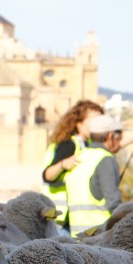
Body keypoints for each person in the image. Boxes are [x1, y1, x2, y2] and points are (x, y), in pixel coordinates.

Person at [40, 100, 104, 233]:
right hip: (60, 221)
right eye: (94, 120)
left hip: (75, 219)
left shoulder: (89, 145)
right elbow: (47, 175)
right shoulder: (69, 145)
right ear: (79, 124)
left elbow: (114, 144)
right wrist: (63, 164)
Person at [62, 113, 129, 236]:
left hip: (77, 238)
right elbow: (113, 204)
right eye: (119, 136)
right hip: (101, 238)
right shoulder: (106, 159)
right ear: (110, 135)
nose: (120, 141)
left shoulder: (80, 157)